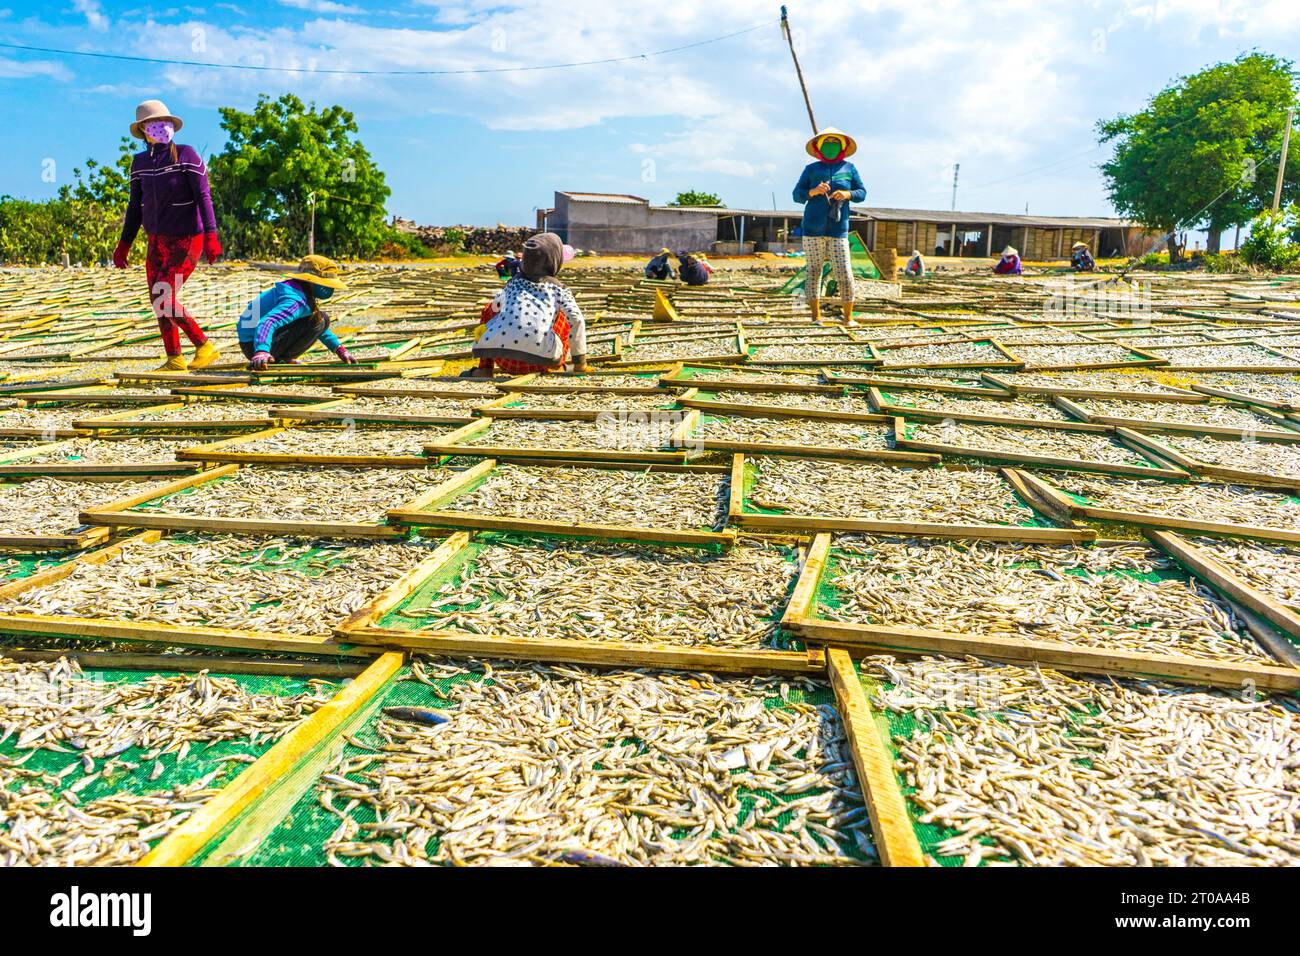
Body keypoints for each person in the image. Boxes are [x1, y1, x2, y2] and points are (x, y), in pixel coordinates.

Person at [112, 100, 222, 372]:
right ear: (143, 131)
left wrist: (211, 235)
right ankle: (174, 357)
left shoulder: (187, 155)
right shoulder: (139, 163)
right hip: (156, 240)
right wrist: (124, 243)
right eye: (152, 124)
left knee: (164, 296)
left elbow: (203, 196)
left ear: (172, 126)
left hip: (187, 238)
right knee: (157, 299)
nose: (159, 128)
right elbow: (134, 206)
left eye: (164, 123)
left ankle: (204, 345)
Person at [470, 233, 587, 377]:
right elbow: (577, 320)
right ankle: (557, 367)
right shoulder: (558, 289)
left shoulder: (512, 284)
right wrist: (580, 362)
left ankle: (485, 369)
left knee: (490, 309)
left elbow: (491, 310)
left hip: (504, 359)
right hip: (543, 361)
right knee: (562, 315)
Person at [792, 127, 866, 322]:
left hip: (838, 229)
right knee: (814, 271)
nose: (831, 146)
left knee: (844, 272)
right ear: (819, 147)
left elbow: (862, 193)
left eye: (835, 143)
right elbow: (796, 195)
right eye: (827, 143)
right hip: (812, 229)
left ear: (842, 146)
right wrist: (813, 191)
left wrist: (847, 194)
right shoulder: (811, 169)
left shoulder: (849, 168)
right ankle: (816, 316)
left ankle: (848, 317)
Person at [237, 255, 357, 371]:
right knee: (322, 319)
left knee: (319, 318)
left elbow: (317, 324)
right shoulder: (295, 301)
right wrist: (261, 351)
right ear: (312, 282)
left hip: (253, 341)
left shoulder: (295, 289)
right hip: (254, 345)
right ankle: (282, 357)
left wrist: (339, 349)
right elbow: (267, 322)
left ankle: (281, 357)